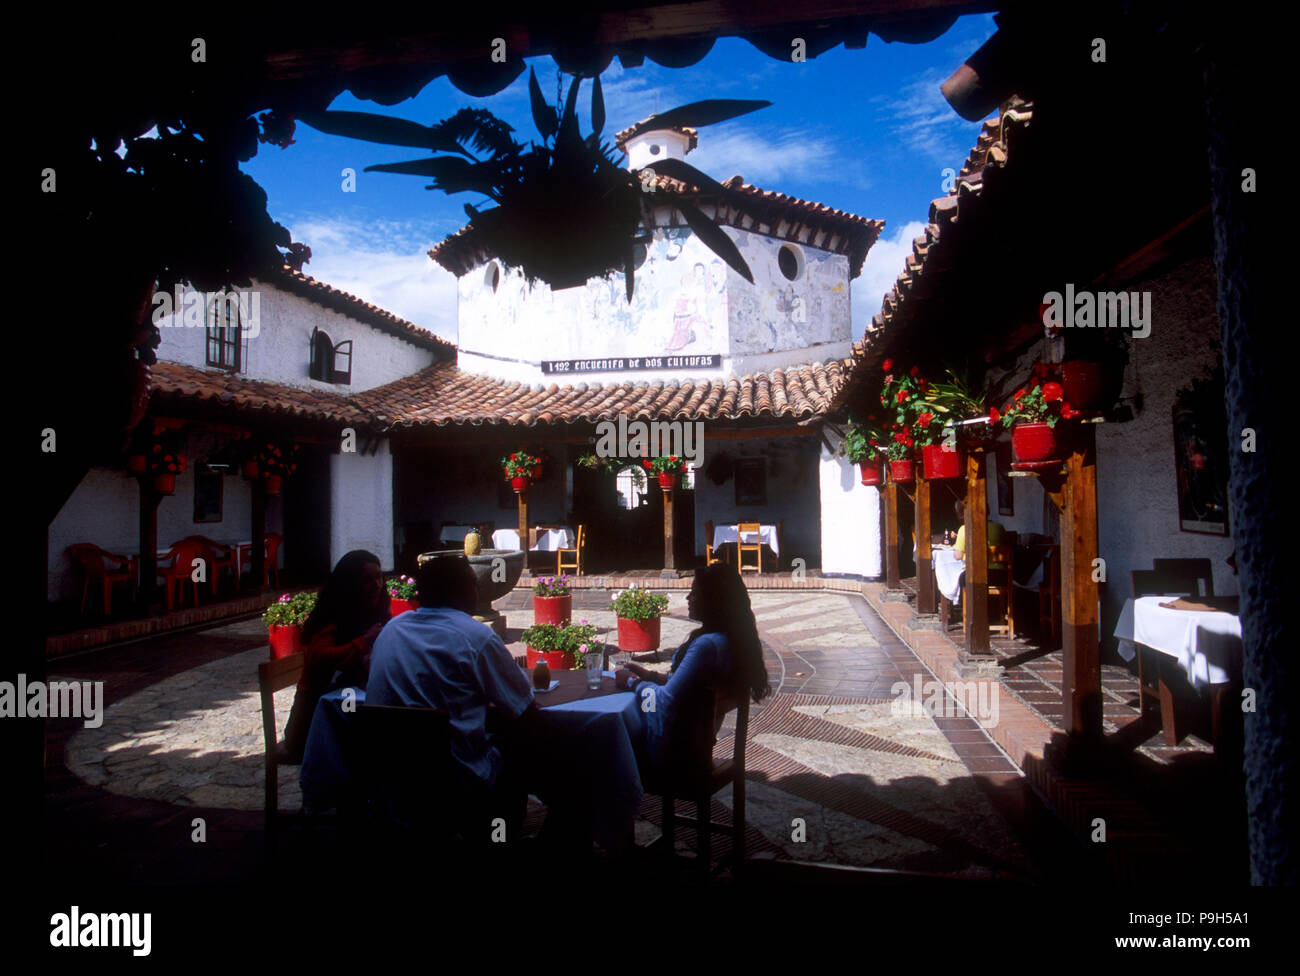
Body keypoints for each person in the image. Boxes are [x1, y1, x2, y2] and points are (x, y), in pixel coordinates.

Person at [365, 555, 534, 832]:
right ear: (465, 590)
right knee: (522, 754)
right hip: (456, 781)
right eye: (473, 584)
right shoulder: (476, 636)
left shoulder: (392, 630)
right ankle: (503, 839)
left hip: (392, 780)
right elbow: (523, 708)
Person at [615, 564, 770, 787]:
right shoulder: (730, 641)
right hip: (695, 748)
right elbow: (689, 687)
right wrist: (650, 675)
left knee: (602, 741)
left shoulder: (706, 646)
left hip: (675, 755)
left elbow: (666, 699)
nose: (688, 597)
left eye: (695, 592)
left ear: (713, 599)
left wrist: (631, 682)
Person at [282, 549, 389, 763]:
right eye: (367, 580)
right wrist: (362, 642)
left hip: (347, 711)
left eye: (378, 577)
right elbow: (319, 656)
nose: (376, 585)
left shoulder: (370, 614)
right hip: (313, 726)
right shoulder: (333, 618)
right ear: (351, 584)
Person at [952, 499, 1007, 569]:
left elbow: (957, 556)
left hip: (975, 574)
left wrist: (966, 556)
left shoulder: (964, 529)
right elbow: (1007, 548)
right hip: (999, 574)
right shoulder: (999, 527)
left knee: (959, 577)